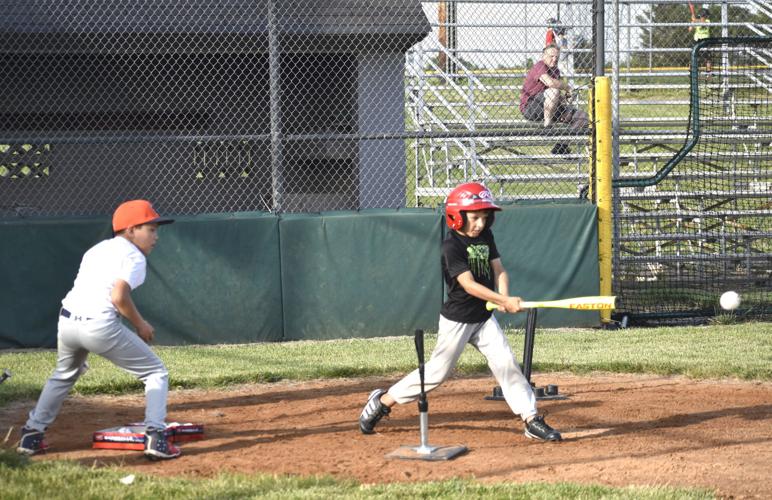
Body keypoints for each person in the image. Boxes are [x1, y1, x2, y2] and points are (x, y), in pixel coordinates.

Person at [358, 182, 562, 442]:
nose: (480, 224)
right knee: (436, 373)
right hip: (458, 319)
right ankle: (382, 401)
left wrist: (505, 297)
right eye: (475, 217)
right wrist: (501, 299)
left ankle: (531, 418)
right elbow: (468, 285)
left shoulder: (486, 237)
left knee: (507, 364)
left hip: (483, 318)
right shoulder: (451, 246)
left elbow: (499, 271)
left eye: (484, 218)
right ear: (458, 216)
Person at [17, 200, 181, 461]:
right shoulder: (134, 256)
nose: (156, 236)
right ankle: (156, 438)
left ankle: (31, 435)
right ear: (130, 230)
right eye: (150, 229)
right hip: (99, 324)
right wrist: (141, 324)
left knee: (63, 375)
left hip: (68, 322)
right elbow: (119, 296)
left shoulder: (97, 249)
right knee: (155, 372)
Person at [520, 44, 588, 154]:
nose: (555, 59)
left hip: (550, 107)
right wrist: (567, 87)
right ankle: (548, 126)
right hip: (531, 107)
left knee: (583, 117)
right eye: (551, 56)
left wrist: (567, 98)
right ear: (544, 56)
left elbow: (557, 97)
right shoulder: (540, 65)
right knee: (553, 90)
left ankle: (561, 146)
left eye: (557, 57)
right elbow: (550, 83)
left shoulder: (556, 71)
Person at [689, 6, 712, 75]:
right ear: (704, 15)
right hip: (697, 41)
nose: (707, 17)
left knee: (708, 58)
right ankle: (693, 71)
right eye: (707, 15)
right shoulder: (696, 21)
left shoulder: (708, 21)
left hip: (705, 41)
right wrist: (692, 22)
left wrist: (695, 20)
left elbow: (703, 23)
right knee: (694, 56)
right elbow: (690, 29)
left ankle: (708, 73)